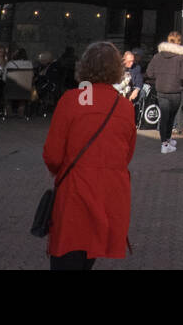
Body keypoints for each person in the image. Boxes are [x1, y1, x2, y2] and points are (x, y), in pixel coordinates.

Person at [41, 42, 136, 270]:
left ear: (84, 67)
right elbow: (126, 155)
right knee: (87, 256)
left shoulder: (71, 100)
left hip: (75, 190)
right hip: (109, 192)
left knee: (67, 255)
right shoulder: (124, 107)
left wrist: (61, 171)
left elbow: (53, 155)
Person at [143, 34, 183, 153]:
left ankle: (166, 141)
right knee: (170, 117)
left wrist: (159, 80)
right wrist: (182, 85)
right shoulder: (182, 57)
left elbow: (149, 73)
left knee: (164, 116)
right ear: (179, 42)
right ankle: (166, 142)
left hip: (161, 89)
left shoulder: (157, 56)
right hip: (175, 91)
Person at [5, 47, 34, 118]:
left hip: (11, 88)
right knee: (23, 92)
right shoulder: (29, 64)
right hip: (24, 88)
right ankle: (21, 109)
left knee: (6, 91)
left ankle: (9, 110)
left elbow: (4, 77)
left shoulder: (10, 64)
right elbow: (31, 76)